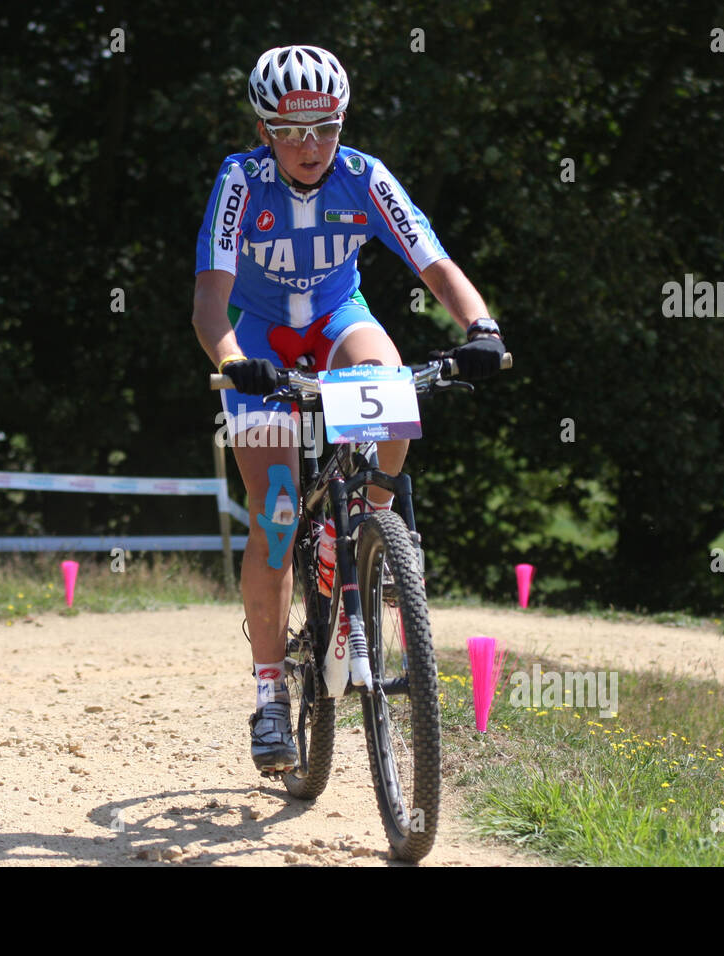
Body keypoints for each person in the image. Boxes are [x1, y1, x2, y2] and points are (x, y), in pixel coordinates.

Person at [192, 45, 507, 774]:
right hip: (263, 339)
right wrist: (234, 362)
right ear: (265, 128)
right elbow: (210, 300)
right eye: (292, 131)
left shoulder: (365, 175)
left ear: (342, 121)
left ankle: (367, 523)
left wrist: (482, 328)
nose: (311, 146)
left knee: (389, 373)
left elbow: (435, 264)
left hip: (339, 323)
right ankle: (271, 695)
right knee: (273, 514)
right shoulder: (241, 180)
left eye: (325, 128)